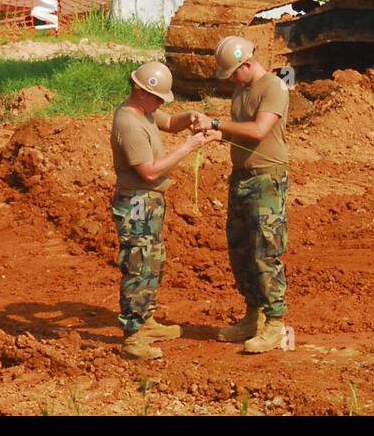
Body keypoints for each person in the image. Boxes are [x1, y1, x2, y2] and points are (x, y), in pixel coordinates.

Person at [110, 60, 219, 360]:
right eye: (158, 97)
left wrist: (191, 117)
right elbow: (148, 171)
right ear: (142, 91)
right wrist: (188, 148)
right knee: (139, 265)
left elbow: (169, 122)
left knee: (154, 263)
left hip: (149, 202)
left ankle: (146, 321)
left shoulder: (144, 111)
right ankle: (133, 337)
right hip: (137, 202)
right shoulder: (129, 123)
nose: (160, 103)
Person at [195, 35, 290, 354]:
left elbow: (259, 130)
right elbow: (242, 130)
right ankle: (253, 315)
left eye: (234, 72)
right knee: (240, 248)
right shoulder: (242, 88)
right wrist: (217, 134)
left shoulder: (273, 88)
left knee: (265, 250)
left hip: (266, 179)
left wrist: (218, 123)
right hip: (242, 177)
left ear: (246, 64)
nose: (231, 79)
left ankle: (275, 323)